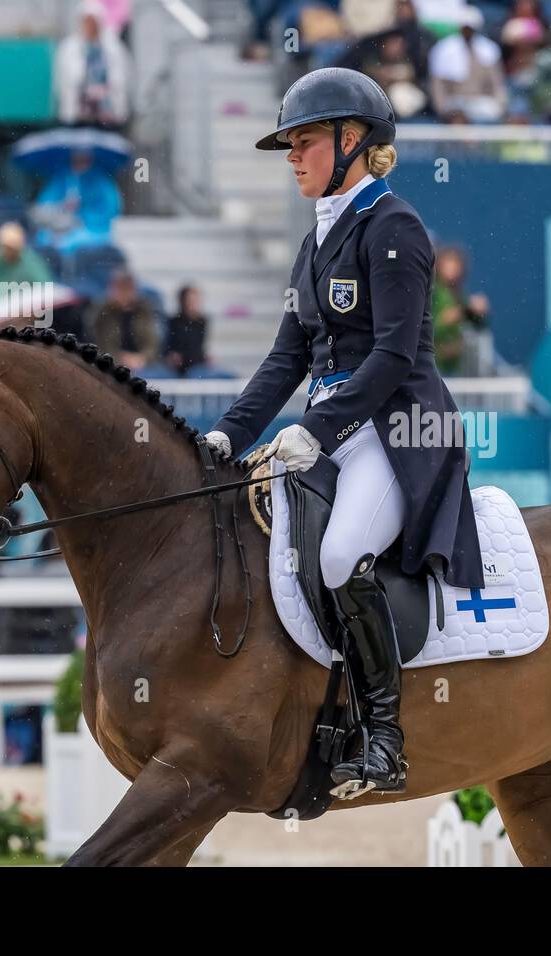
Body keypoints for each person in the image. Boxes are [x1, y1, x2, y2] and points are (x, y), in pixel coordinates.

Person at [203, 68, 485, 796]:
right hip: (334, 431)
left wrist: (317, 429)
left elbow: (392, 357)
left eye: (303, 142)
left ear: (349, 140)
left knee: (338, 557)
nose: (293, 157)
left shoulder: (393, 228)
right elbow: (286, 358)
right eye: (289, 145)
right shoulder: (314, 244)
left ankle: (384, 736)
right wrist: (225, 437)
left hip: (396, 431)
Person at [54, 0, 132, 128]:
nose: (90, 26)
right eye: (86, 21)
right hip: (78, 116)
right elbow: (62, 81)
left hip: (108, 117)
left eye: (93, 21)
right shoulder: (69, 48)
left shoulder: (113, 48)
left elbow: (123, 79)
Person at [31, 148, 122, 252]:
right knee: (44, 240)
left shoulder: (102, 182)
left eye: (84, 161)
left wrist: (82, 216)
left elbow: (110, 209)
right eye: (76, 160)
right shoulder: (60, 178)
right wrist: (62, 205)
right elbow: (44, 204)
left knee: (72, 244)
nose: (80, 165)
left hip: (93, 230)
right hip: (57, 228)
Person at [428, 6, 507, 123]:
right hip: (456, 103)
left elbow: (497, 84)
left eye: (471, 28)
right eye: (465, 28)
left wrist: (500, 106)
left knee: (492, 111)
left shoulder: (488, 50)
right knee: (457, 116)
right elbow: (438, 86)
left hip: (480, 103)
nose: (468, 32)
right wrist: (442, 110)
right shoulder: (444, 49)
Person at [430, 246, 489, 375]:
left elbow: (479, 325)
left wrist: (478, 312)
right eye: (449, 265)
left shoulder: (459, 294)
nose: (452, 270)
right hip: (434, 365)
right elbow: (433, 327)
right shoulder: (433, 291)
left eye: (456, 266)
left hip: (454, 368)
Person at [89, 268, 159, 371]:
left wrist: (142, 358)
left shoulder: (144, 311)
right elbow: (99, 342)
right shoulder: (102, 312)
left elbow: (151, 343)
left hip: (142, 364)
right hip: (109, 362)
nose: (124, 293)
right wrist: (120, 358)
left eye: (128, 288)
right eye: (120, 288)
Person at [0, 222, 53, 288]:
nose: (8, 251)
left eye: (11, 248)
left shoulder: (31, 262)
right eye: (5, 247)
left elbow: (44, 286)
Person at [163, 284, 208, 375]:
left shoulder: (202, 322)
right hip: (176, 366)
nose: (195, 303)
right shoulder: (174, 321)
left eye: (196, 300)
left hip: (195, 364)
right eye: (191, 300)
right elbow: (168, 347)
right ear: (183, 301)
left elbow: (198, 348)